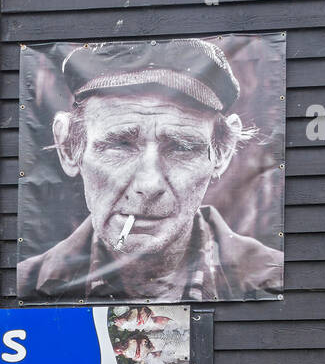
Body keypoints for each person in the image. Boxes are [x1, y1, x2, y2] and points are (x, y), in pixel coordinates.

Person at [17, 38, 283, 302]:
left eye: (181, 147)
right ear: (68, 148)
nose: (150, 184)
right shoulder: (29, 282)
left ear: (222, 154)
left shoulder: (271, 277)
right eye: (120, 145)